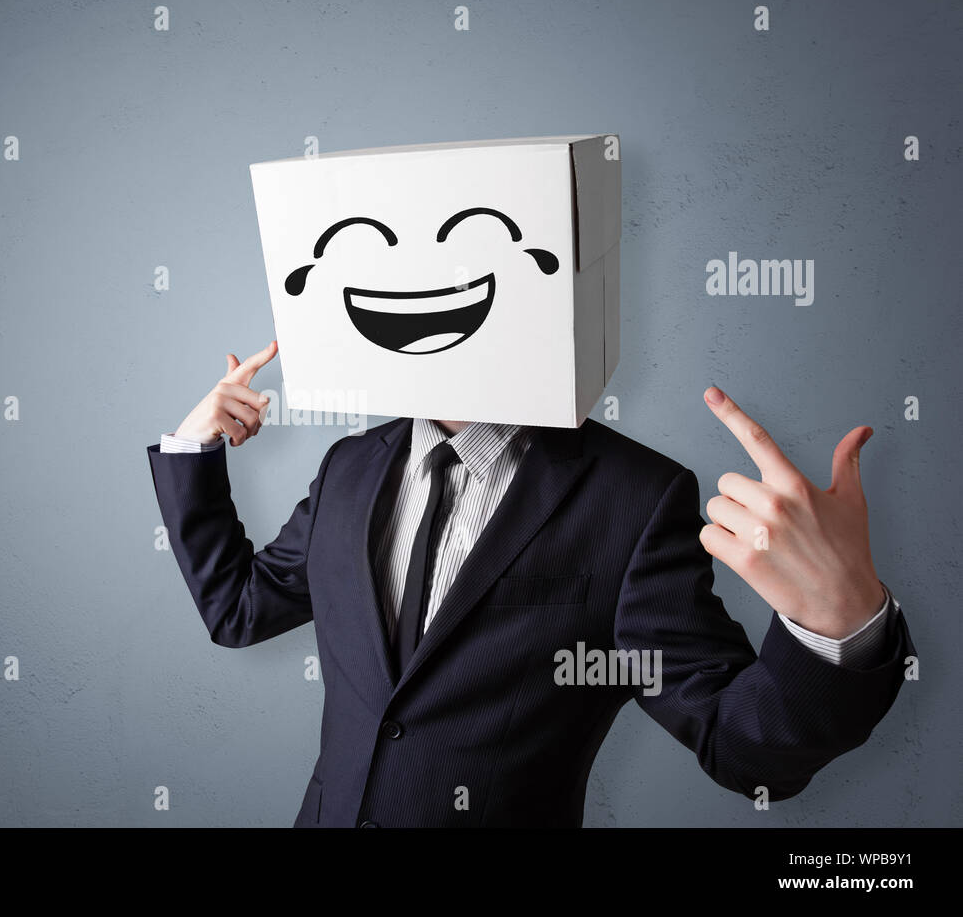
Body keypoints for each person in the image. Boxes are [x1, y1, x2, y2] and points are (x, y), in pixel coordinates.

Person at [146, 339, 914, 827]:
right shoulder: (351, 466)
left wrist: (834, 626)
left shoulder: (632, 499)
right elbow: (240, 609)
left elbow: (742, 750)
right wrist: (191, 451)